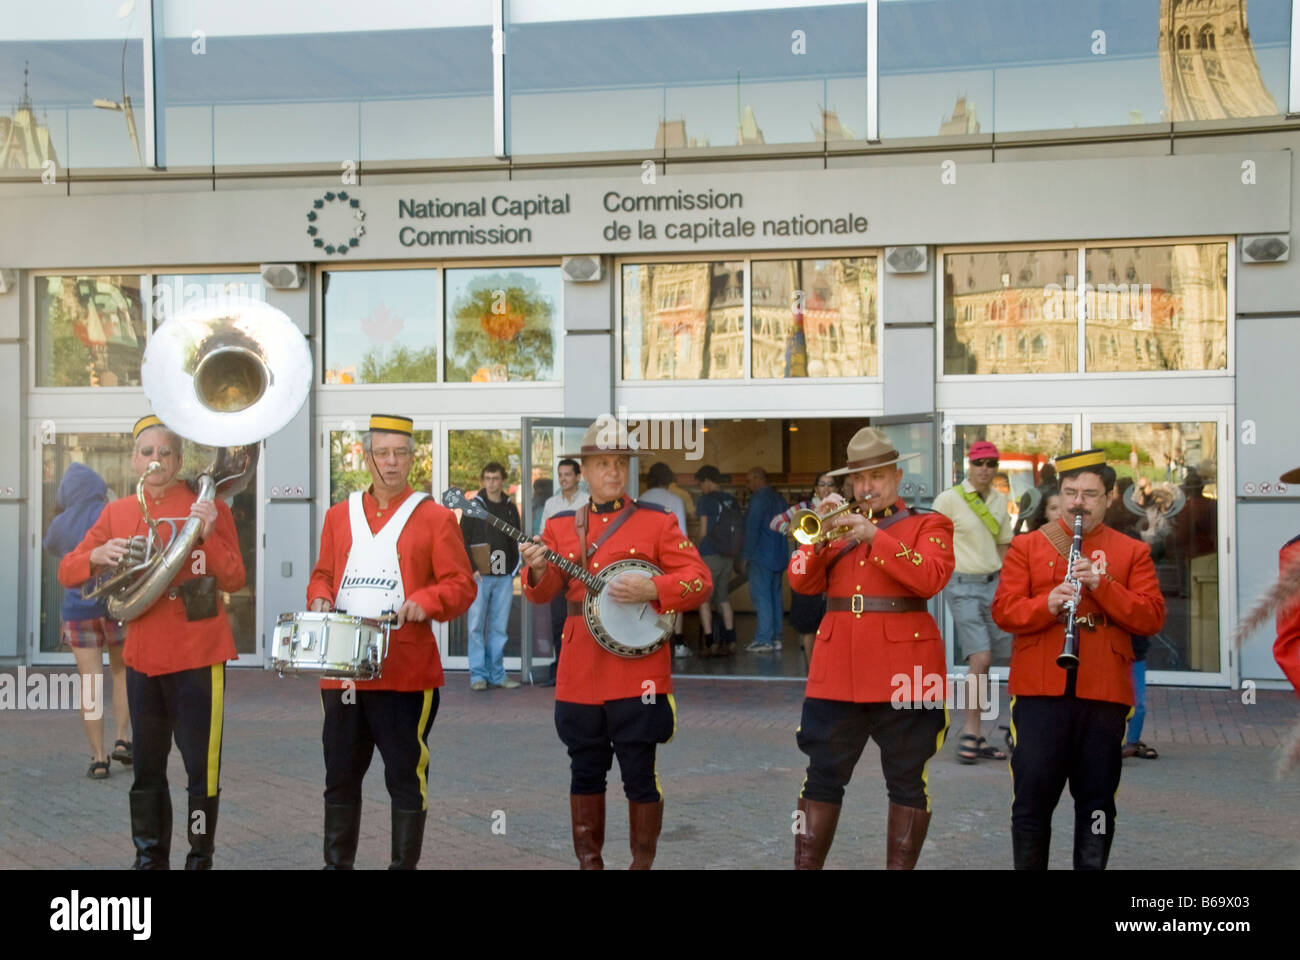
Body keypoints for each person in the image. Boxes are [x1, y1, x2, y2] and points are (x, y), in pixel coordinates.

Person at [520, 422, 712, 869]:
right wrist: (534, 569)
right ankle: (590, 863)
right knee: (585, 772)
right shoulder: (559, 525)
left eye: (620, 463)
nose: (613, 472)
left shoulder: (657, 521)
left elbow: (699, 580)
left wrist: (654, 589)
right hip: (579, 670)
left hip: (638, 672)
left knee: (639, 775)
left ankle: (640, 865)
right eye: (603, 463)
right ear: (584, 470)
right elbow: (540, 593)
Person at [58, 414, 244, 869]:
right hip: (144, 655)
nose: (155, 460)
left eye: (165, 452)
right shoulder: (118, 511)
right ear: (133, 458)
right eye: (147, 452)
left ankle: (200, 855)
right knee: (146, 769)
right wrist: (97, 555)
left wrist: (209, 533)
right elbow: (67, 569)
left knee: (203, 773)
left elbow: (236, 577)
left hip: (199, 654)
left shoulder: (206, 504)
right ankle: (149, 857)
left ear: (179, 460)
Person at [307, 414, 476, 869]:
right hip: (342, 672)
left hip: (405, 672)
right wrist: (320, 597)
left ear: (413, 457)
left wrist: (428, 599)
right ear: (367, 457)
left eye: (401, 452)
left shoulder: (436, 518)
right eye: (382, 452)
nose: (392, 462)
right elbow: (323, 575)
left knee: (405, 778)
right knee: (339, 776)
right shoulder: (337, 516)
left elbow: (462, 585)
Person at [788, 427, 955, 870]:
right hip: (836, 671)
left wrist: (872, 535)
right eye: (858, 480)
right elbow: (801, 582)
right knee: (819, 778)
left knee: (906, 781)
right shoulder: (833, 529)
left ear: (897, 477)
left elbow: (930, 577)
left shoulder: (928, 523)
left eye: (877, 476)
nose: (866, 487)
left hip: (906, 671)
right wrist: (817, 535)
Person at [991, 449, 1166, 870]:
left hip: (1103, 690)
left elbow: (1151, 617)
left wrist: (1102, 585)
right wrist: (1046, 604)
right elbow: (1004, 612)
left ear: (1110, 496)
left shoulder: (1131, 551)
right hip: (1039, 690)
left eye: (1090, 494)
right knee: (1031, 799)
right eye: (1070, 493)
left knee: (1098, 802)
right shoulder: (1027, 546)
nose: (1077, 503)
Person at [43, 462, 131, 779]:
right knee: (122, 673)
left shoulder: (60, 523)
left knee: (90, 682)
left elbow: (52, 549)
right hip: (116, 604)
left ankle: (98, 757)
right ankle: (123, 738)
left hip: (78, 608)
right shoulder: (113, 511)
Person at [933, 441, 1014, 764]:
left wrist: (1010, 587)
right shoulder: (949, 499)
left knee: (1011, 655)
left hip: (994, 584)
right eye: (979, 463)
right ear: (969, 465)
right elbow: (932, 539)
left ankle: (1011, 728)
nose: (985, 469)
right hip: (962, 585)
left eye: (991, 463)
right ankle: (971, 731)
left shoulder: (999, 500)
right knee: (980, 657)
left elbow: (1004, 548)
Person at [460, 461, 523, 691]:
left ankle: (497, 674)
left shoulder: (509, 507)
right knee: (475, 626)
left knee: (499, 628)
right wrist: (471, 568)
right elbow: (461, 538)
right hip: (480, 575)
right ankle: (478, 675)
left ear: (502, 480)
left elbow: (517, 538)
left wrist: (514, 568)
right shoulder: (473, 506)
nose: (491, 483)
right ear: (482, 480)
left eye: (495, 478)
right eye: (487, 478)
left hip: (503, 575)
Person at [770, 470, 836, 665]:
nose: (826, 488)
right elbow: (775, 522)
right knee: (808, 628)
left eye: (830, 484)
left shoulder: (839, 506)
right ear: (816, 488)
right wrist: (793, 533)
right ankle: (812, 670)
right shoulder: (804, 507)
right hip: (807, 571)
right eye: (822, 484)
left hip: (830, 572)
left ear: (836, 488)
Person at [538, 458, 588, 686]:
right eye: (560, 475)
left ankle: (582, 673)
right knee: (559, 622)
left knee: (584, 622)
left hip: (583, 573)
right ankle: (560, 671)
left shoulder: (589, 501)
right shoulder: (551, 504)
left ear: (578, 477)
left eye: (568, 474)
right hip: (558, 573)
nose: (563, 479)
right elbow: (543, 537)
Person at [639, 462, 691, 659]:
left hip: (646, 556)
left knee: (649, 597)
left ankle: (652, 638)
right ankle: (677, 642)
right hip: (670, 555)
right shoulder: (675, 499)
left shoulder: (641, 499)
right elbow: (682, 533)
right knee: (674, 596)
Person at [694, 465, 740, 657]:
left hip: (709, 554)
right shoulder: (731, 499)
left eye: (700, 484)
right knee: (723, 598)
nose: (700, 488)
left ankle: (710, 641)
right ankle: (731, 641)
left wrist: (694, 547)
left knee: (704, 598)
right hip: (728, 554)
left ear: (706, 481)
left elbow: (703, 531)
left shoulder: (706, 500)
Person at [743, 467, 789, 652]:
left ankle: (764, 639)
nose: (747, 485)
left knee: (762, 598)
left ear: (756, 479)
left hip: (761, 555)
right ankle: (776, 638)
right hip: (779, 554)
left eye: (748, 481)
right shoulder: (779, 498)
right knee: (775, 597)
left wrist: (745, 556)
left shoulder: (758, 499)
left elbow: (752, 529)